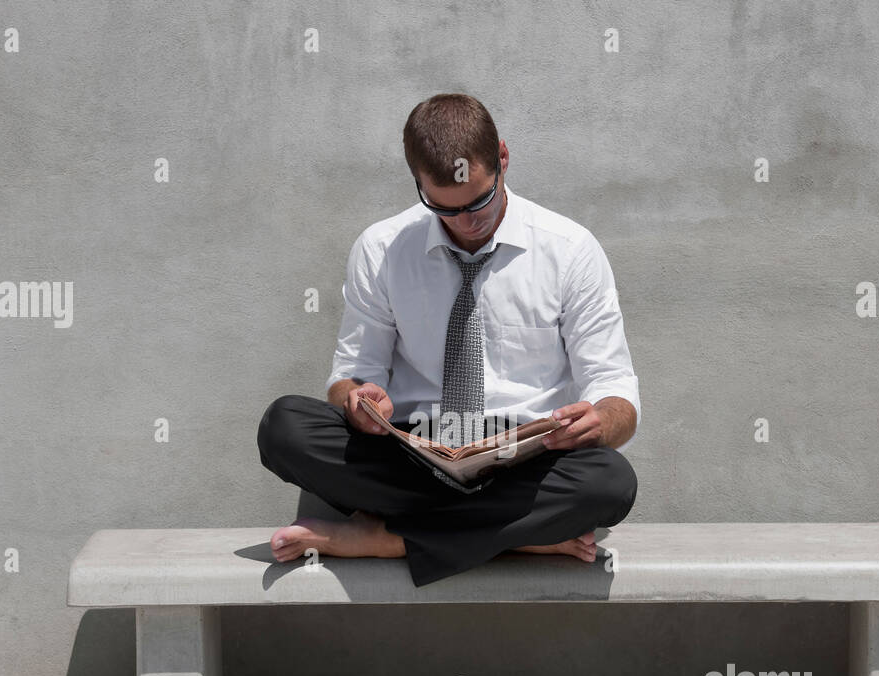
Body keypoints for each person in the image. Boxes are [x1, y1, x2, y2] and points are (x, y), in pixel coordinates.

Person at [257, 93, 641, 587]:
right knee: (283, 427)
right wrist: (358, 400)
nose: (466, 222)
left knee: (609, 482)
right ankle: (520, 536)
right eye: (443, 208)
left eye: (479, 201)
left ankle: (384, 539)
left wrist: (598, 422)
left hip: (522, 457)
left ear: (502, 158)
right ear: (418, 182)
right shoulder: (383, 248)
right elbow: (352, 374)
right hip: (415, 452)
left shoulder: (570, 251)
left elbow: (615, 390)